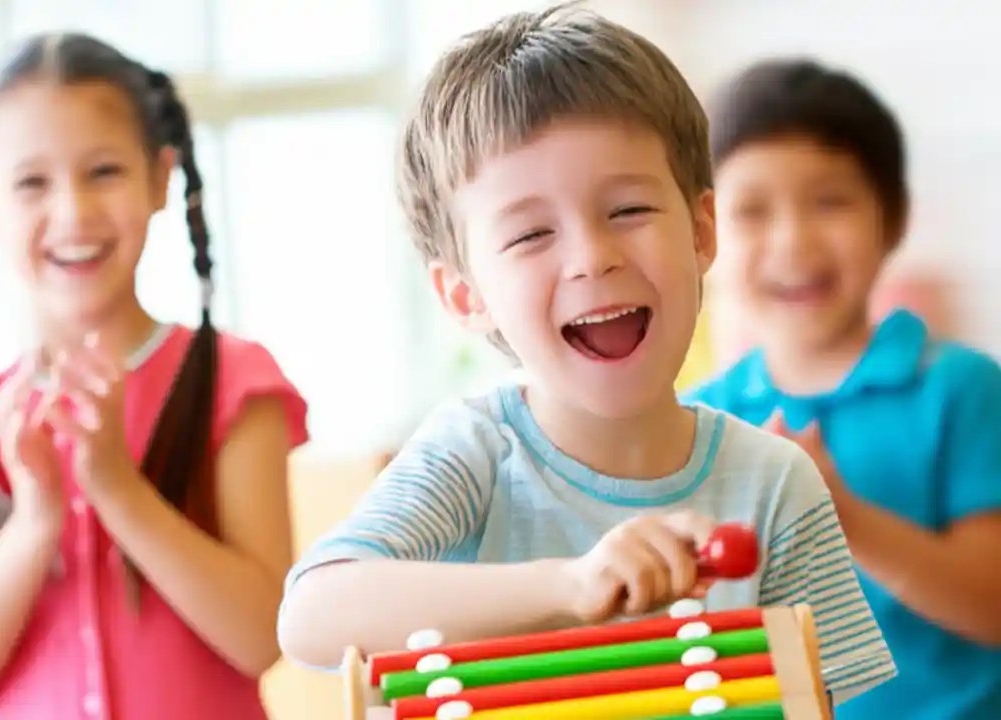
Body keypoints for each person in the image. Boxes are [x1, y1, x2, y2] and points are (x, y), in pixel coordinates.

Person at [277, 3, 895, 707]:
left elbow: (825, 700)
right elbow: (312, 618)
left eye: (628, 211)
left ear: (700, 231)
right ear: (464, 295)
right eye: (531, 234)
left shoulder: (775, 484)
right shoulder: (476, 453)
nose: (593, 258)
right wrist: (571, 584)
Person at [0, 33, 308, 720]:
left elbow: (260, 636)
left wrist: (116, 486)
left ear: (159, 179)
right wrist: (34, 523)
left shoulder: (234, 384)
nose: (74, 213)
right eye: (32, 182)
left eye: (104, 171)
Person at [686, 58, 1001, 719]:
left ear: (892, 220)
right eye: (752, 211)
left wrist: (845, 518)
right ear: (705, 234)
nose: (793, 240)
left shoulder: (961, 389)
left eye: (830, 201)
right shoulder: (701, 419)